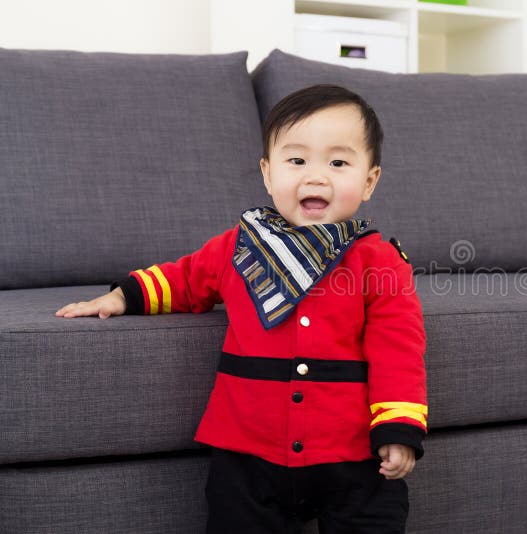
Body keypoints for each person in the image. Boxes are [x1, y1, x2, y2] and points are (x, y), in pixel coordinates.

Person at [56, 84, 427, 534]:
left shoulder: (379, 261)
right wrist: (123, 296)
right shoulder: (241, 246)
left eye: (338, 162)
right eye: (297, 160)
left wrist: (398, 426)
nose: (316, 176)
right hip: (248, 451)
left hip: (351, 453)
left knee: (374, 518)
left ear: (368, 181)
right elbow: (186, 278)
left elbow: (398, 344)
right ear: (268, 175)